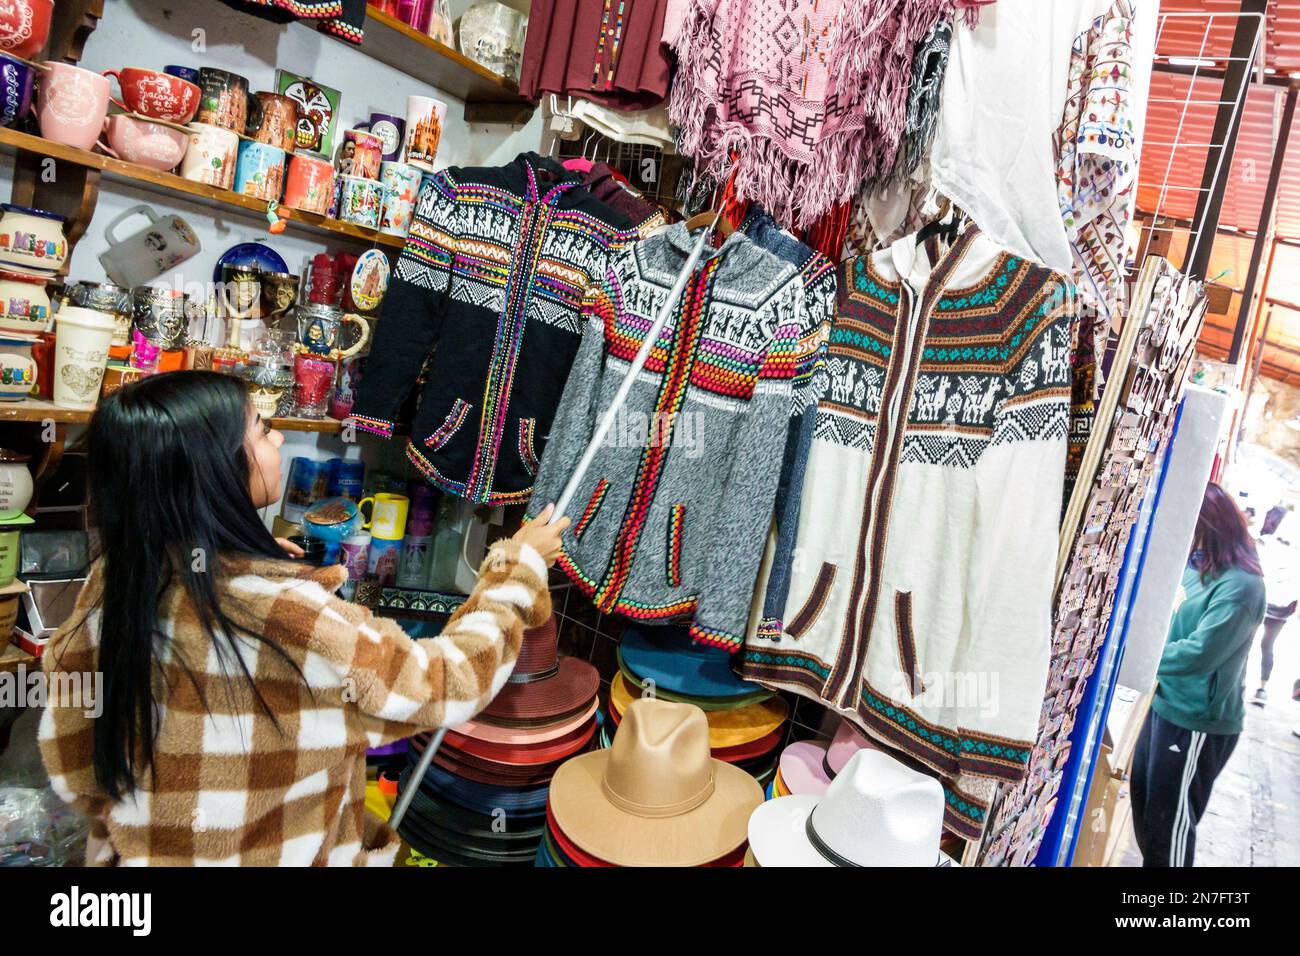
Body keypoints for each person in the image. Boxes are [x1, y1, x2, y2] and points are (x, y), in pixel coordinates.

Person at [38, 371, 570, 866]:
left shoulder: (116, 581)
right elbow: (448, 682)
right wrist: (516, 569)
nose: (275, 444)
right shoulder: (289, 614)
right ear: (217, 467)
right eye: (262, 429)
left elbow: (73, 771)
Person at [1130, 482, 1266, 867]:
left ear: (1209, 523)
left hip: (1197, 723)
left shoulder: (1242, 586)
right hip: (1164, 704)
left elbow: (1200, 654)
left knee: (1168, 828)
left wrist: (1135, 657)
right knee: (1146, 808)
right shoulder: (1198, 566)